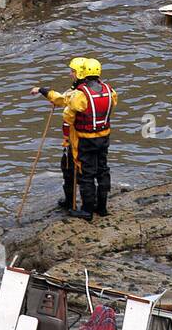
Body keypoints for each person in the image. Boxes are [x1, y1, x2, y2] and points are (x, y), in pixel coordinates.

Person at [31, 57, 117, 220]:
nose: (70, 74)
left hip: (84, 140)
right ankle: (102, 207)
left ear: (82, 73)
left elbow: (65, 108)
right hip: (104, 138)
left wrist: (44, 92)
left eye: (73, 71)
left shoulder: (79, 95)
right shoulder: (109, 91)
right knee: (103, 170)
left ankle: (86, 211)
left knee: (85, 174)